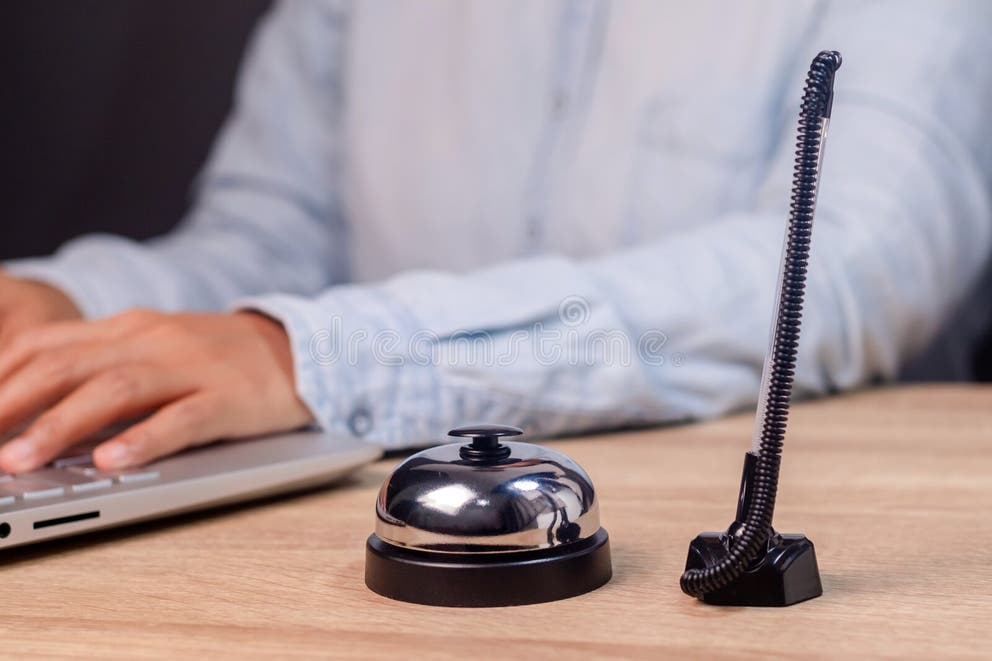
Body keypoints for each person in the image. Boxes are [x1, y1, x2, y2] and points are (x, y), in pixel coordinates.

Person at [0, 0, 990, 474]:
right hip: (348, 533)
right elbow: (277, 242)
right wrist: (71, 313)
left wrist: (313, 355)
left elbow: (844, 273)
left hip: (761, 547)